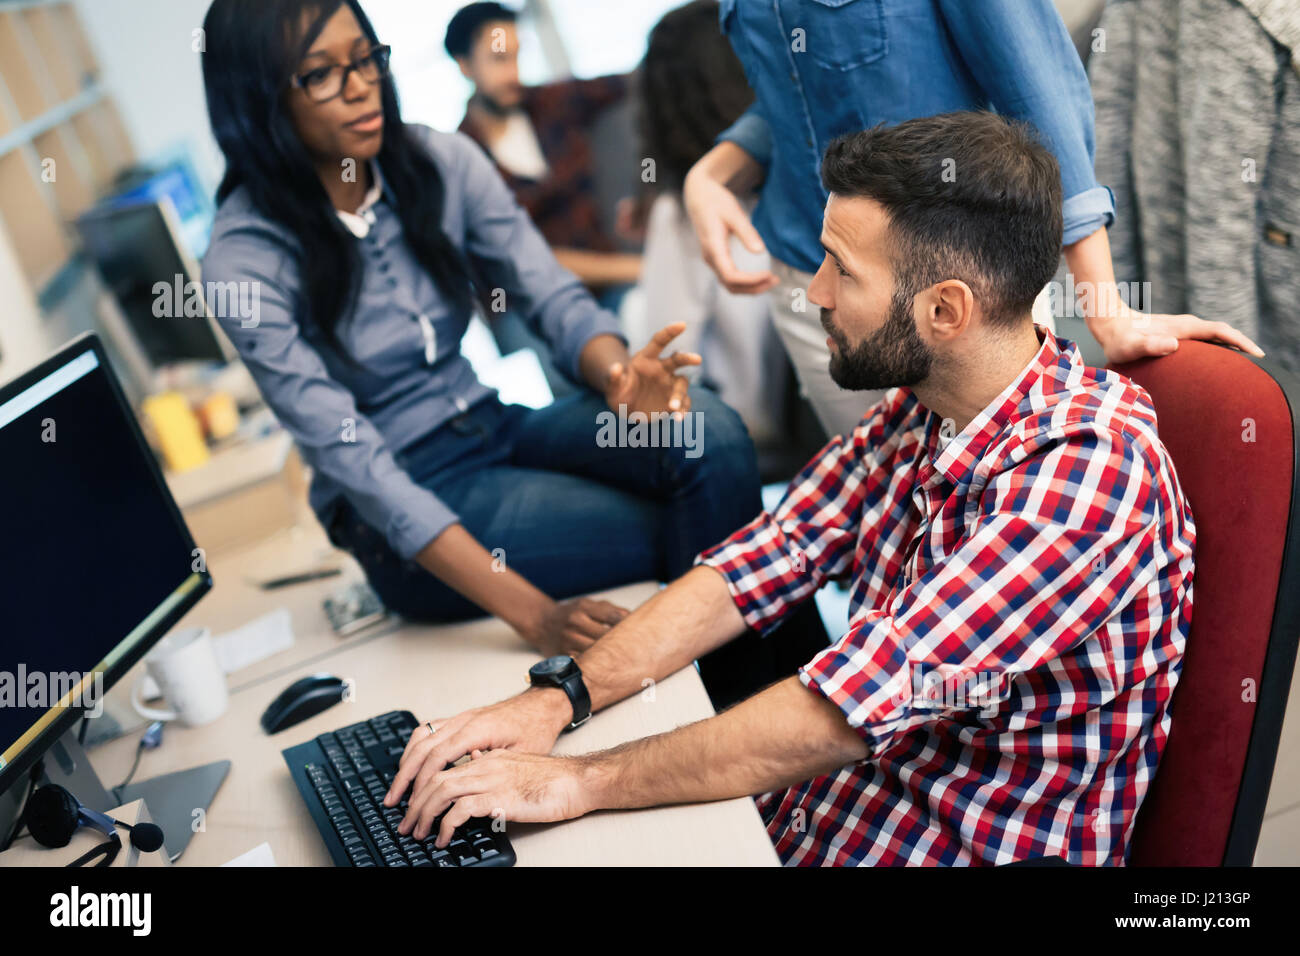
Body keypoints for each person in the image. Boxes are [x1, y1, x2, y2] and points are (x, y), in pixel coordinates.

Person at [382, 112, 1197, 867]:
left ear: (946, 310)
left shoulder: (1085, 478)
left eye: (842, 269)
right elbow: (763, 558)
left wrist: (572, 780)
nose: (816, 293)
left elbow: (834, 716)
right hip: (827, 815)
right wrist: (557, 698)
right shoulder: (922, 413)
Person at [197, 0, 764, 663]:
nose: (361, 87)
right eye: (321, 74)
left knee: (712, 437)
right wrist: (538, 618)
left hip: (495, 427)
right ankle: (752, 718)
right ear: (258, 99)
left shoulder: (438, 161)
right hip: (404, 502)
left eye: (365, 59)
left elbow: (549, 293)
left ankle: (780, 704)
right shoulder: (243, 261)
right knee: (681, 517)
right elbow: (359, 466)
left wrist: (617, 374)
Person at [683, 0, 1263, 438]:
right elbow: (797, 84)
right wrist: (714, 169)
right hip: (804, 265)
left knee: (989, 512)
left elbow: (1038, 91)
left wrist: (1104, 306)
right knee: (880, 516)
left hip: (945, 277)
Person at [623, 0, 787, 447]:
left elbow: (667, 348)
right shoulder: (804, 171)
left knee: (636, 311)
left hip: (743, 419)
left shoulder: (684, 211)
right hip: (803, 397)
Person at [446, 2, 641, 295]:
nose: (514, 74)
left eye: (517, 57)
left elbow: (639, 78)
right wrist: (637, 268)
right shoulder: (460, 160)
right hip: (536, 303)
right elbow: (521, 259)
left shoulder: (554, 102)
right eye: (499, 59)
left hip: (612, 282)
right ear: (465, 65)